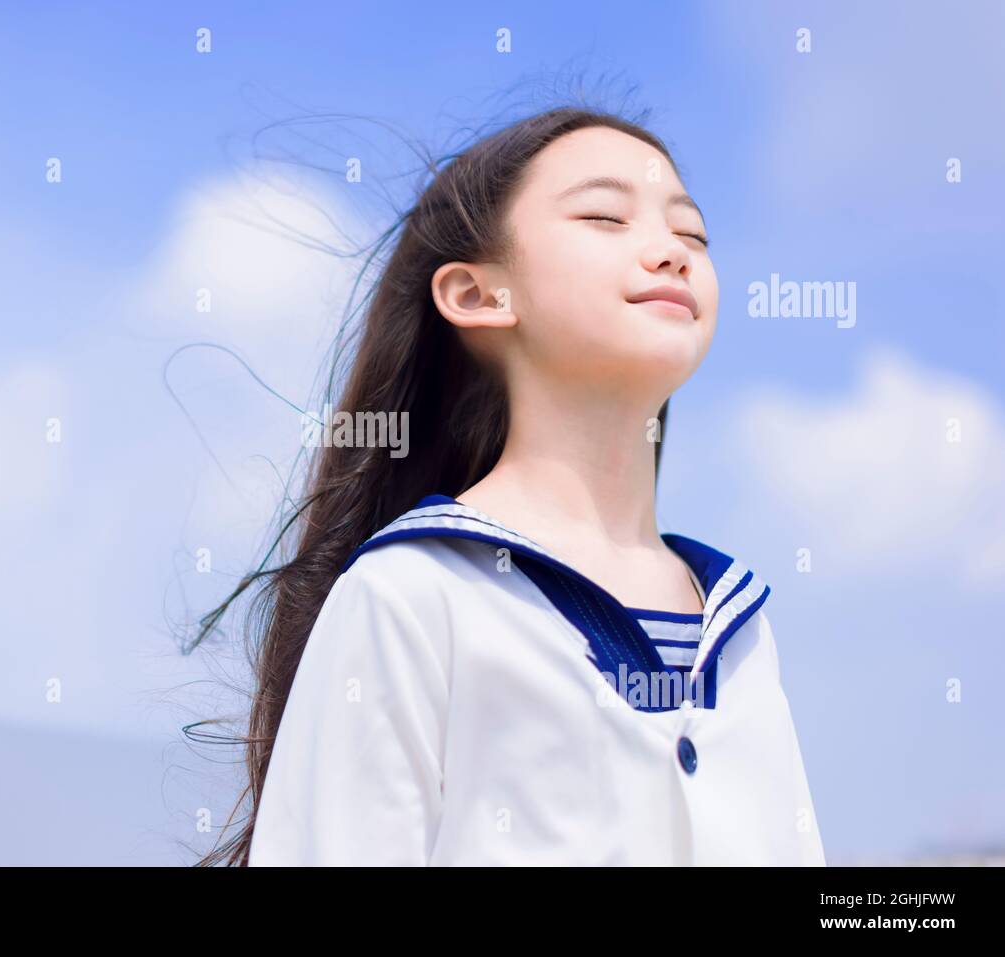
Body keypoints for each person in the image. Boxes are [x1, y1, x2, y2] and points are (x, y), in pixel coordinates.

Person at [196, 107, 825, 866]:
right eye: (604, 216)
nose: (671, 253)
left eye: (692, 234)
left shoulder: (743, 624)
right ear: (476, 294)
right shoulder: (410, 593)